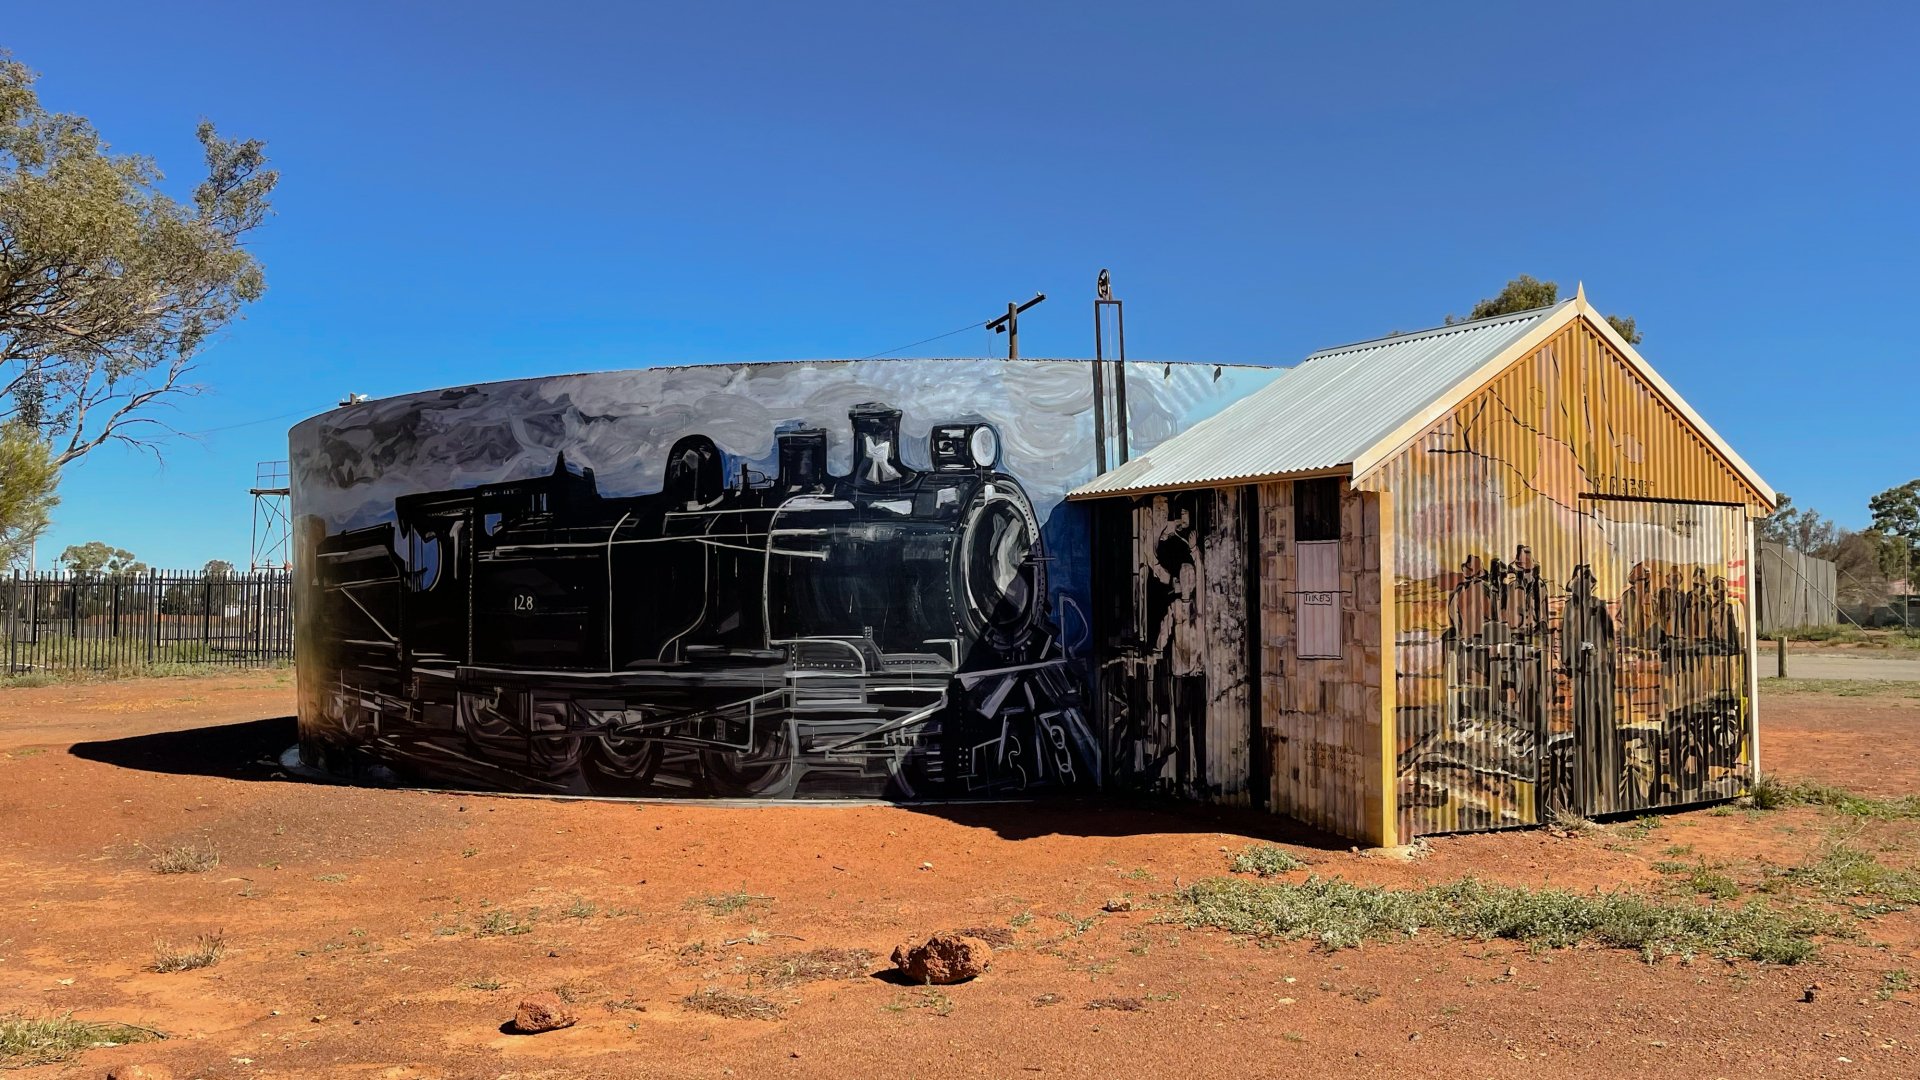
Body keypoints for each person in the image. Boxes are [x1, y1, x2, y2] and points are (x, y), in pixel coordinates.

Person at [1150, 503, 1207, 796]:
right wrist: (1157, 649)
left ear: (1195, 581)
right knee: (1182, 729)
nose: (1187, 582)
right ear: (1179, 581)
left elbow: (1205, 580)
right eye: (1183, 578)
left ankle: (1201, 779)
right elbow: (1163, 635)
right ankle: (1184, 778)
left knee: (1200, 727)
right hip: (1180, 677)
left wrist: (1195, 553)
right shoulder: (1174, 608)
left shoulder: (1201, 608)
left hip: (1197, 675)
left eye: (1191, 578)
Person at [1561, 564, 1619, 813]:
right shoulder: (1569, 608)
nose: (1586, 584)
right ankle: (1586, 799)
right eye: (1582, 580)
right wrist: (1574, 661)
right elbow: (1565, 644)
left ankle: (1608, 797)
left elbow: (1610, 640)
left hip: (1601, 676)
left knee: (1604, 735)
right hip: (1583, 677)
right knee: (1584, 736)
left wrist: (1603, 658)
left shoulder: (1598, 606)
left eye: (1588, 580)